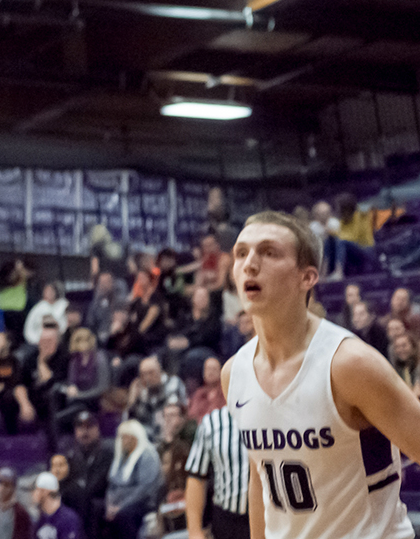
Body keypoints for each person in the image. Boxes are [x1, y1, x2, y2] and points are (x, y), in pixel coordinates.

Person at [224, 209, 420, 539]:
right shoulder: (234, 373)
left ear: (308, 278)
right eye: (241, 253)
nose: (250, 263)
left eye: (269, 252)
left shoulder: (349, 364)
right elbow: (259, 479)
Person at [182, 403, 246, 539]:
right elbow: (196, 477)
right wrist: (194, 531)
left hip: (272, 519)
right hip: (229, 521)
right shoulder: (212, 422)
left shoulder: (276, 417)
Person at [101, 419, 160, 539]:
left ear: (134, 438)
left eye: (125, 437)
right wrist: (109, 505)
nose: (122, 441)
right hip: (121, 503)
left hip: (142, 503)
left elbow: (145, 489)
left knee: (124, 515)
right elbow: (112, 485)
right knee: (98, 510)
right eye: (121, 437)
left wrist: (121, 507)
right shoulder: (121, 458)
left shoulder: (147, 455)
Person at [63, 412, 111, 536]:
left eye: (89, 427)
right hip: (77, 498)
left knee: (88, 501)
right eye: (81, 428)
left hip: (100, 499)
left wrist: (80, 489)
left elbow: (100, 483)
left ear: (97, 429)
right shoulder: (70, 455)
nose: (85, 432)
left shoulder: (106, 453)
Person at [126, 356, 185, 430]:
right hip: (147, 434)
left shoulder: (173, 383)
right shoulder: (142, 391)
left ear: (159, 371)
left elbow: (172, 408)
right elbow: (130, 420)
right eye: (143, 374)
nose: (147, 377)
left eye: (151, 372)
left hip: (170, 431)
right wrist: (132, 400)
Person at [0, 469, 34, 539]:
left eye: (6, 485)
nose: (2, 488)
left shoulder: (20, 513)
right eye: (0, 483)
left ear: (13, 488)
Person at [33, 473, 81, 539]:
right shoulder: (39, 517)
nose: (34, 493)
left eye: (36, 489)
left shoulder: (68, 519)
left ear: (45, 492)